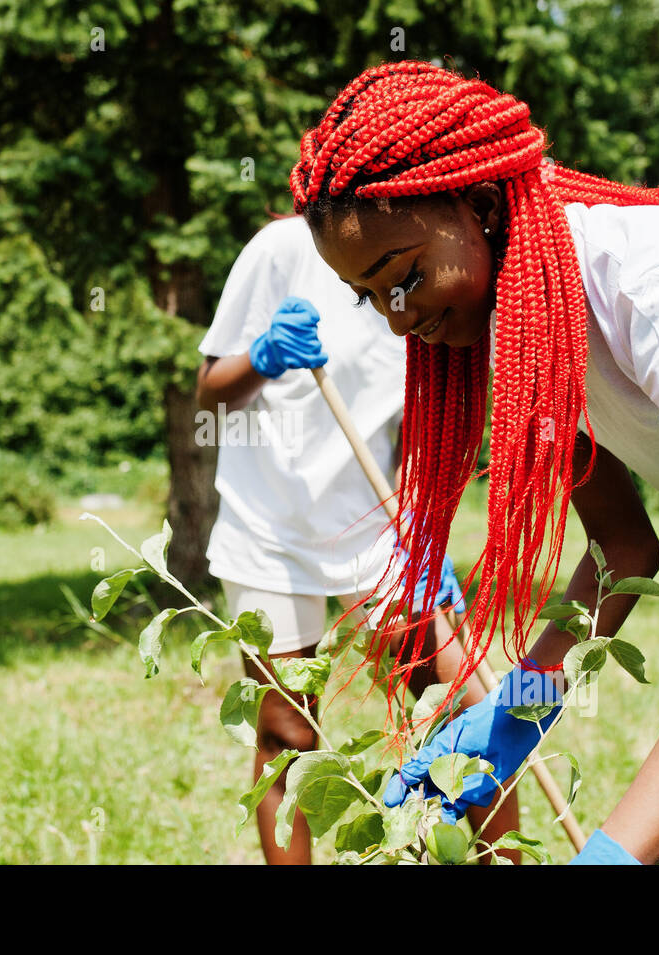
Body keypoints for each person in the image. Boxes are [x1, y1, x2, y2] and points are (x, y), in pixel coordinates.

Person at [289, 60, 659, 864]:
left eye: (405, 277)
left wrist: (608, 856)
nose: (399, 323)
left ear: (476, 204)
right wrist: (517, 712)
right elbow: (623, 549)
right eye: (371, 296)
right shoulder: (529, 324)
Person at [195, 213, 520, 864]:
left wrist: (424, 535)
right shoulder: (281, 249)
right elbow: (211, 394)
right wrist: (261, 357)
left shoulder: (434, 271)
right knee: (287, 729)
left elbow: (428, 420)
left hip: (379, 525)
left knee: (473, 709)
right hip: (272, 527)